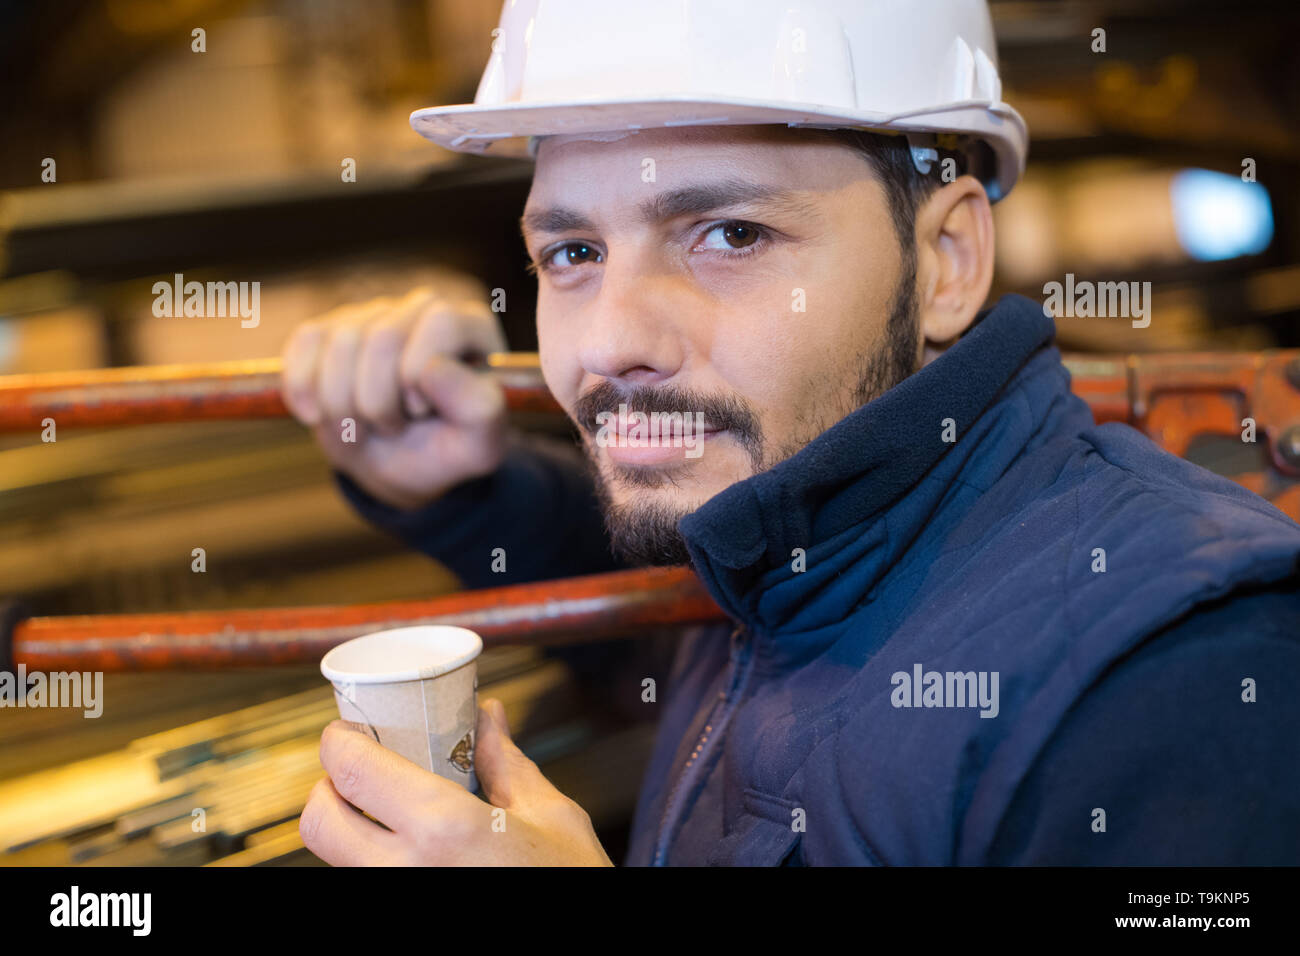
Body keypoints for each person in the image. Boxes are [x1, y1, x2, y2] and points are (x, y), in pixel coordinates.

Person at [286, 0, 1300, 865]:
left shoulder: (1177, 670)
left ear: (945, 257)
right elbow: (709, 626)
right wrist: (465, 486)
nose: (611, 340)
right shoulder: (785, 541)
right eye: (574, 250)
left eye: (731, 234)